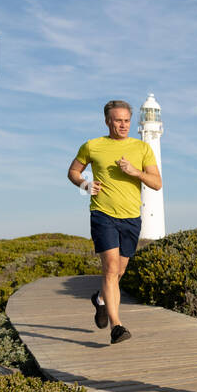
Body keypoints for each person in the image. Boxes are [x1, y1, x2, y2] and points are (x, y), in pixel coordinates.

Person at [68, 100, 162, 344]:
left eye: (127, 120)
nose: (123, 125)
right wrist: (85, 184)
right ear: (107, 121)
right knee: (110, 269)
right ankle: (117, 326)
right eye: (118, 120)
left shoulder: (142, 148)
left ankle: (100, 299)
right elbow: (73, 172)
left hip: (131, 217)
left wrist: (135, 172)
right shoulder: (92, 146)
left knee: (119, 271)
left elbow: (156, 183)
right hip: (103, 214)